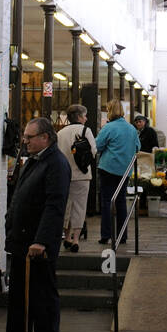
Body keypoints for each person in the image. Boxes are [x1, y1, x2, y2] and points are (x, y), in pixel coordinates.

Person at [0, 117, 70, 332]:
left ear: (45, 137)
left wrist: (42, 241)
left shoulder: (56, 163)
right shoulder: (33, 161)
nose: (25, 141)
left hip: (38, 246)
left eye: (29, 137)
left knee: (42, 298)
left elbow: (54, 205)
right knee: (18, 300)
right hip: (21, 242)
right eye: (25, 136)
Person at [94, 100, 140, 245]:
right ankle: (122, 235)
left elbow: (97, 146)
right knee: (120, 201)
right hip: (125, 170)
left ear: (110, 111)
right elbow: (138, 147)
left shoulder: (108, 127)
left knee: (107, 202)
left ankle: (106, 235)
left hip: (108, 168)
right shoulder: (131, 128)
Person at [56, 103, 96, 252]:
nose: (86, 118)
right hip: (82, 175)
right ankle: (76, 239)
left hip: (65, 175)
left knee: (66, 206)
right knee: (79, 206)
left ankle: (66, 237)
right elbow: (93, 151)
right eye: (85, 115)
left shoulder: (60, 133)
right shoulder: (86, 130)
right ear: (79, 117)